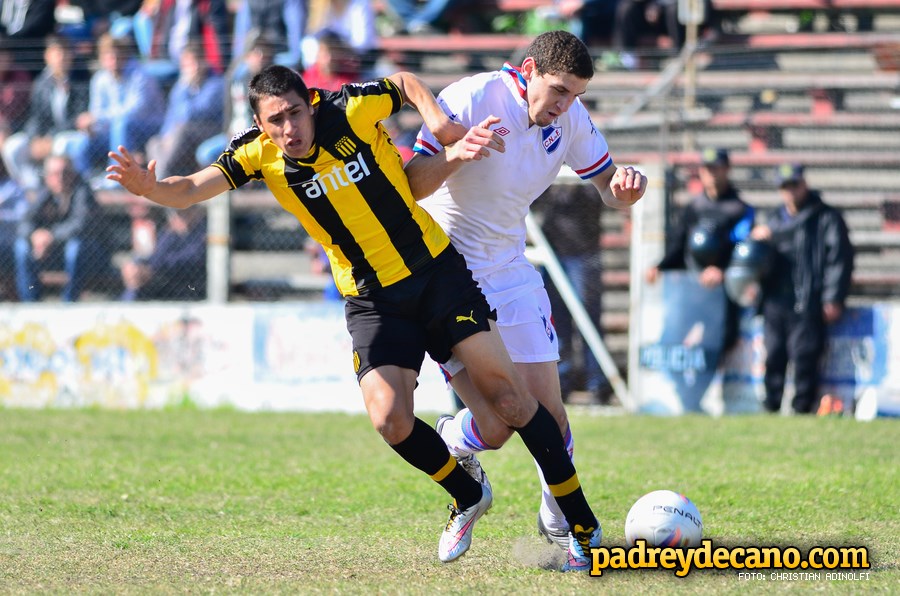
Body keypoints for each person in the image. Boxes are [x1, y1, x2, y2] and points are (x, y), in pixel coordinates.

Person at [106, 64, 605, 570]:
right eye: (275, 121)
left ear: (311, 103)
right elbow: (190, 187)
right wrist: (150, 189)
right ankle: (467, 492)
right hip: (372, 300)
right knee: (389, 419)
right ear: (259, 125)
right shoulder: (256, 154)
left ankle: (584, 529)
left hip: (436, 274)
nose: (289, 130)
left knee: (510, 403)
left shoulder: (352, 108)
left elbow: (406, 82)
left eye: (296, 113)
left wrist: (438, 123)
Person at [403, 30, 646, 553]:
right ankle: (453, 437)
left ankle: (562, 528)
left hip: (510, 272)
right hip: (448, 278)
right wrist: (459, 152)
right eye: (558, 90)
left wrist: (625, 191)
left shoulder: (569, 118)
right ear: (529, 69)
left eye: (576, 95)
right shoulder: (471, 97)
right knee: (496, 426)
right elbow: (413, 182)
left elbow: (606, 185)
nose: (565, 105)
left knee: (550, 415)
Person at [750, 163, 854, 415]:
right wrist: (758, 242)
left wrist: (833, 297)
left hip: (808, 299)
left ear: (804, 184)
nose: (790, 191)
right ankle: (771, 405)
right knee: (773, 354)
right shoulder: (772, 220)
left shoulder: (826, 217)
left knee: (804, 355)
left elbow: (839, 259)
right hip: (776, 299)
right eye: (785, 186)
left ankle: (802, 407)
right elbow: (756, 261)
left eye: (794, 185)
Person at [645, 147, 754, 355]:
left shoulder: (740, 209)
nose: (712, 173)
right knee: (673, 339)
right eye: (708, 168)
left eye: (717, 168)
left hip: (722, 295)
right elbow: (678, 246)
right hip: (692, 291)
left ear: (727, 170)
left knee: (720, 344)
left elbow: (741, 248)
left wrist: (722, 270)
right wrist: (660, 267)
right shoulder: (693, 208)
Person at [533, 183, 610, 404]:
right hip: (553, 255)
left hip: (584, 255)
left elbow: (597, 196)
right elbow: (535, 198)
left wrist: (569, 186)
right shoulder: (549, 158)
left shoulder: (586, 161)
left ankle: (597, 382)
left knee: (589, 320)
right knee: (556, 323)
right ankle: (561, 380)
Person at [14, 154, 110, 302]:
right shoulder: (44, 192)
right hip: (52, 251)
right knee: (21, 247)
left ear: (73, 174)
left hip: (91, 254)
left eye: (65, 173)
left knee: (75, 247)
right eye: (54, 174)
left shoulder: (82, 191)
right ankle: (30, 303)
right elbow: (24, 222)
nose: (60, 178)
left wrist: (50, 236)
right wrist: (35, 236)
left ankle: (69, 302)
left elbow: (81, 225)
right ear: (47, 176)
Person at [1, 35, 90, 191]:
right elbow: (35, 116)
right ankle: (32, 189)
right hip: (45, 136)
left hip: (70, 134)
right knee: (13, 147)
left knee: (63, 144)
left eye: (64, 53)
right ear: (47, 56)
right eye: (56, 53)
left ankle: (76, 187)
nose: (61, 58)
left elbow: (79, 118)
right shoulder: (41, 83)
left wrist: (51, 136)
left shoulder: (81, 79)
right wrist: (34, 137)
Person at [71, 32, 164, 181]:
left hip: (149, 127)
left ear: (125, 56)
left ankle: (116, 179)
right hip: (113, 130)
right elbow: (96, 111)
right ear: (101, 58)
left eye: (117, 56)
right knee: (81, 141)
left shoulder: (141, 75)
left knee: (121, 124)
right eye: (108, 57)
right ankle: (85, 184)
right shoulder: (99, 79)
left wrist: (97, 119)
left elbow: (136, 111)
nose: (113, 61)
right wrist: (90, 127)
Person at [145, 42, 224, 179]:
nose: (194, 68)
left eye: (196, 62)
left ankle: (162, 181)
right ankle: (161, 178)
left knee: (182, 131)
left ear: (204, 62)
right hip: (181, 135)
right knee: (154, 142)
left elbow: (192, 114)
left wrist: (185, 88)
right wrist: (166, 136)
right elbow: (171, 117)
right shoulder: (180, 87)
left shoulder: (215, 84)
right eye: (189, 64)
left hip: (210, 130)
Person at [119, 204, 206, 301]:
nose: (181, 217)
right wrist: (140, 266)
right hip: (164, 276)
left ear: (196, 212)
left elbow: (193, 258)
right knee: (135, 271)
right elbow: (157, 254)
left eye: (186, 213)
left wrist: (153, 268)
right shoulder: (171, 232)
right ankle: (125, 309)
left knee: (142, 277)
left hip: (189, 282)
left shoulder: (203, 231)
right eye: (178, 214)